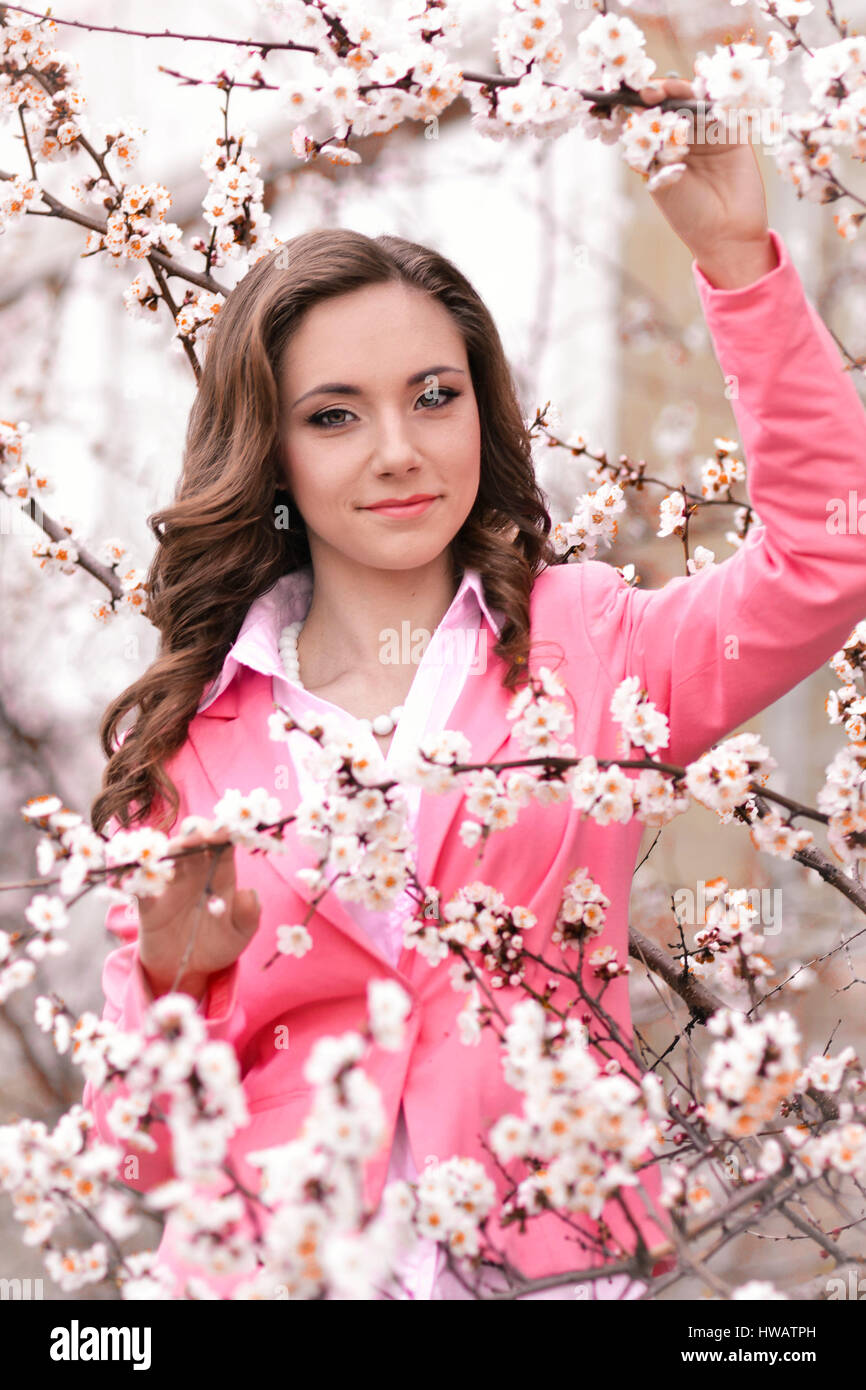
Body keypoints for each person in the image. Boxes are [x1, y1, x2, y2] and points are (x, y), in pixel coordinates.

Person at [86, 77, 866, 1299]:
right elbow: (133, 1150)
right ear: (273, 452)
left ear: (478, 409)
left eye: (432, 397)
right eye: (334, 416)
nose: (398, 449)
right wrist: (170, 980)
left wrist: (737, 267)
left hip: (551, 1273)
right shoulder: (194, 742)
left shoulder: (590, 644)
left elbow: (827, 554)